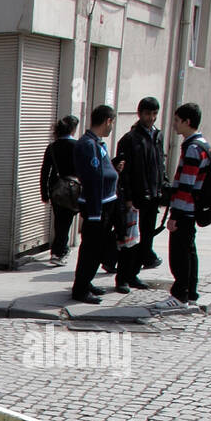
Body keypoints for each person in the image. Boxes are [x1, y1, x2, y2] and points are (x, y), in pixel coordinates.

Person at [114, 97, 166, 290]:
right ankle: (122, 278)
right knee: (129, 241)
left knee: (146, 239)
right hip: (134, 197)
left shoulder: (157, 136)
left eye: (154, 114)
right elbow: (125, 172)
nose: (151, 118)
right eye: (147, 114)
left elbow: (160, 163)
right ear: (140, 113)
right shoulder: (130, 139)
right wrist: (127, 197)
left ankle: (133, 274)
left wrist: (163, 186)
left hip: (152, 196)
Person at [70, 105, 120, 304]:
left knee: (97, 249)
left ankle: (86, 281)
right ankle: (81, 288)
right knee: (91, 249)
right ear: (107, 120)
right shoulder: (88, 145)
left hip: (104, 203)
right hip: (96, 206)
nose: (111, 127)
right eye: (112, 123)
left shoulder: (96, 143)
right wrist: (96, 211)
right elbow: (93, 179)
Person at [168, 102, 211, 308]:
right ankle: (191, 293)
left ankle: (180, 295)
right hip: (191, 208)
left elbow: (186, 184)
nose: (174, 124)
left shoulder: (193, 148)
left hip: (185, 209)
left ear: (187, 122)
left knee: (180, 254)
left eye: (177, 120)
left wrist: (174, 215)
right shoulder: (203, 144)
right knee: (189, 251)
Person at [40, 115, 80, 266]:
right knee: (67, 221)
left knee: (59, 220)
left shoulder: (52, 147)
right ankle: (59, 251)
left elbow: (45, 171)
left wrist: (44, 192)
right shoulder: (77, 146)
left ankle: (59, 249)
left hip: (56, 188)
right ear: (73, 129)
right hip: (73, 189)